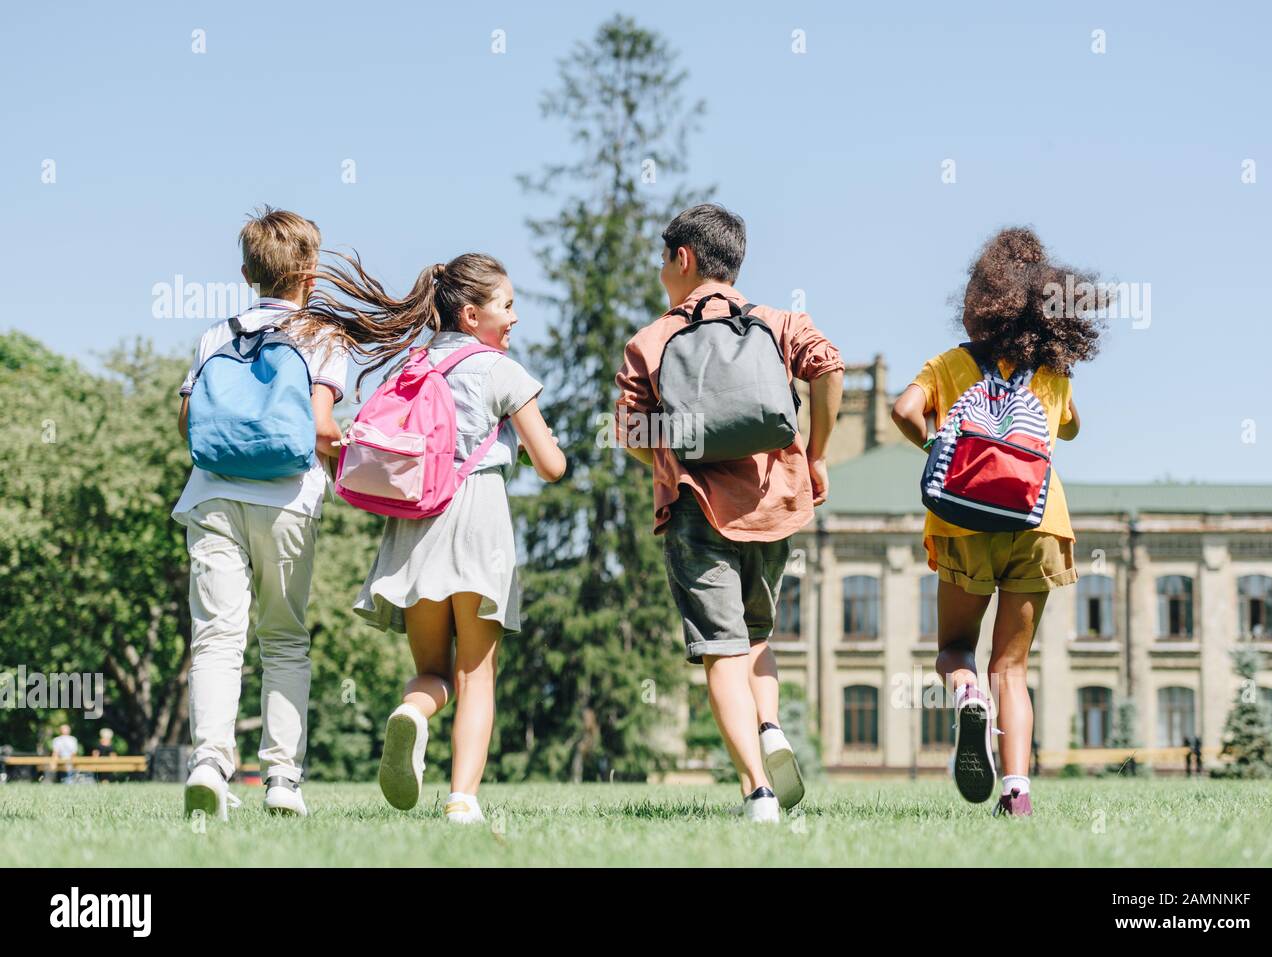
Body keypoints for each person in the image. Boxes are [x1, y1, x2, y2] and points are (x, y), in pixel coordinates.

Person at [298, 252, 565, 824]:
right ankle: (462, 799)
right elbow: (550, 465)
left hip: (415, 524)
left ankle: (414, 714)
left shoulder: (411, 369)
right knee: (476, 674)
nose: (515, 318)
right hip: (479, 523)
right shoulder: (501, 371)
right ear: (471, 315)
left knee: (434, 673)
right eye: (507, 306)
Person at [615, 204, 844, 823]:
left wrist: (674, 457)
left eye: (665, 261)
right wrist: (815, 454)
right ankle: (770, 727)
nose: (662, 273)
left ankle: (756, 791)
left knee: (721, 650)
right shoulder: (777, 322)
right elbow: (829, 366)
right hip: (776, 506)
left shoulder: (652, 340)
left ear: (683, 258)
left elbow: (631, 433)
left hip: (697, 512)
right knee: (758, 636)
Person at [892, 227, 1104, 817]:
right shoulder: (1054, 373)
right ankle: (1016, 794)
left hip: (965, 522)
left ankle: (964, 694)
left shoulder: (952, 364)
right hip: (1040, 525)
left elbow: (902, 410)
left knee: (955, 649)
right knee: (1012, 667)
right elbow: (1071, 427)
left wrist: (937, 440)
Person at [175, 207, 347, 820]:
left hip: (212, 494)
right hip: (288, 499)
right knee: (284, 638)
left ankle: (209, 764)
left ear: (247, 271)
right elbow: (323, 428)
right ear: (311, 271)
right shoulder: (323, 336)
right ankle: (281, 778)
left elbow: (187, 424)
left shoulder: (213, 336)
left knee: (218, 638)